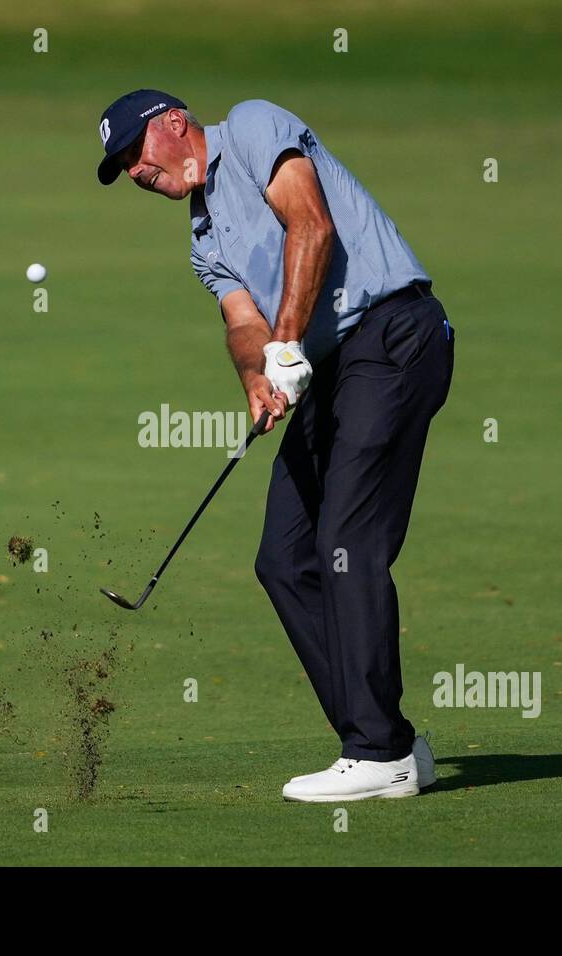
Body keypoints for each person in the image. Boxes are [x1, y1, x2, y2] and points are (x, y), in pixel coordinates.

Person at [96, 90, 455, 801]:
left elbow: (311, 226)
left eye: (135, 152)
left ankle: (376, 751)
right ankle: (391, 740)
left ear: (174, 123)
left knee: (346, 540)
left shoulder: (254, 127)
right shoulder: (204, 240)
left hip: (392, 337)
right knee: (284, 558)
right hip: (329, 373)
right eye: (123, 168)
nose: (136, 172)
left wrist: (287, 341)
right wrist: (259, 376)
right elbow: (241, 322)